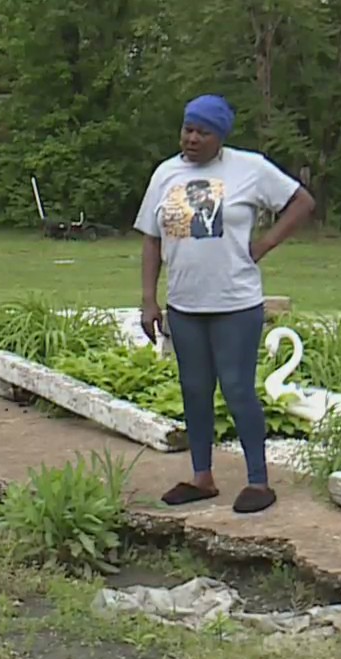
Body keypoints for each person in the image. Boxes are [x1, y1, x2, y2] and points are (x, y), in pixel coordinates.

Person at [136, 94, 316, 515]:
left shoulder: (248, 169)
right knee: (195, 391)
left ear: (221, 137)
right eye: (188, 129)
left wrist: (265, 244)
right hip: (184, 305)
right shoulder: (166, 174)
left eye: (204, 132)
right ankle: (202, 477)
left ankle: (258, 480)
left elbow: (301, 202)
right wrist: (148, 298)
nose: (193, 139)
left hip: (235, 303)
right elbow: (150, 238)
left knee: (237, 388)